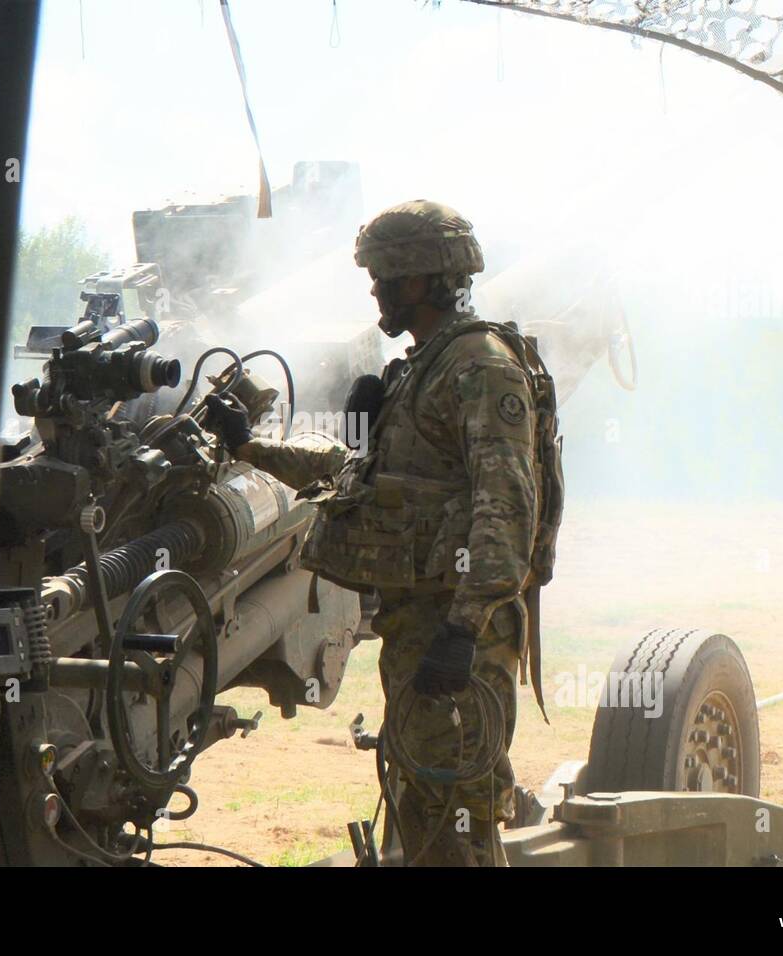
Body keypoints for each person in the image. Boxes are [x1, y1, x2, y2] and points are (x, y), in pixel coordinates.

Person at [203, 200, 557, 866]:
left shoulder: (480, 368)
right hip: (420, 627)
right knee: (423, 808)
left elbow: (507, 509)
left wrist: (463, 629)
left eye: (388, 277)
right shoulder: (421, 369)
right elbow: (354, 473)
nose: (376, 291)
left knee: (457, 817)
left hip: (460, 637)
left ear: (427, 278)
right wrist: (250, 447)